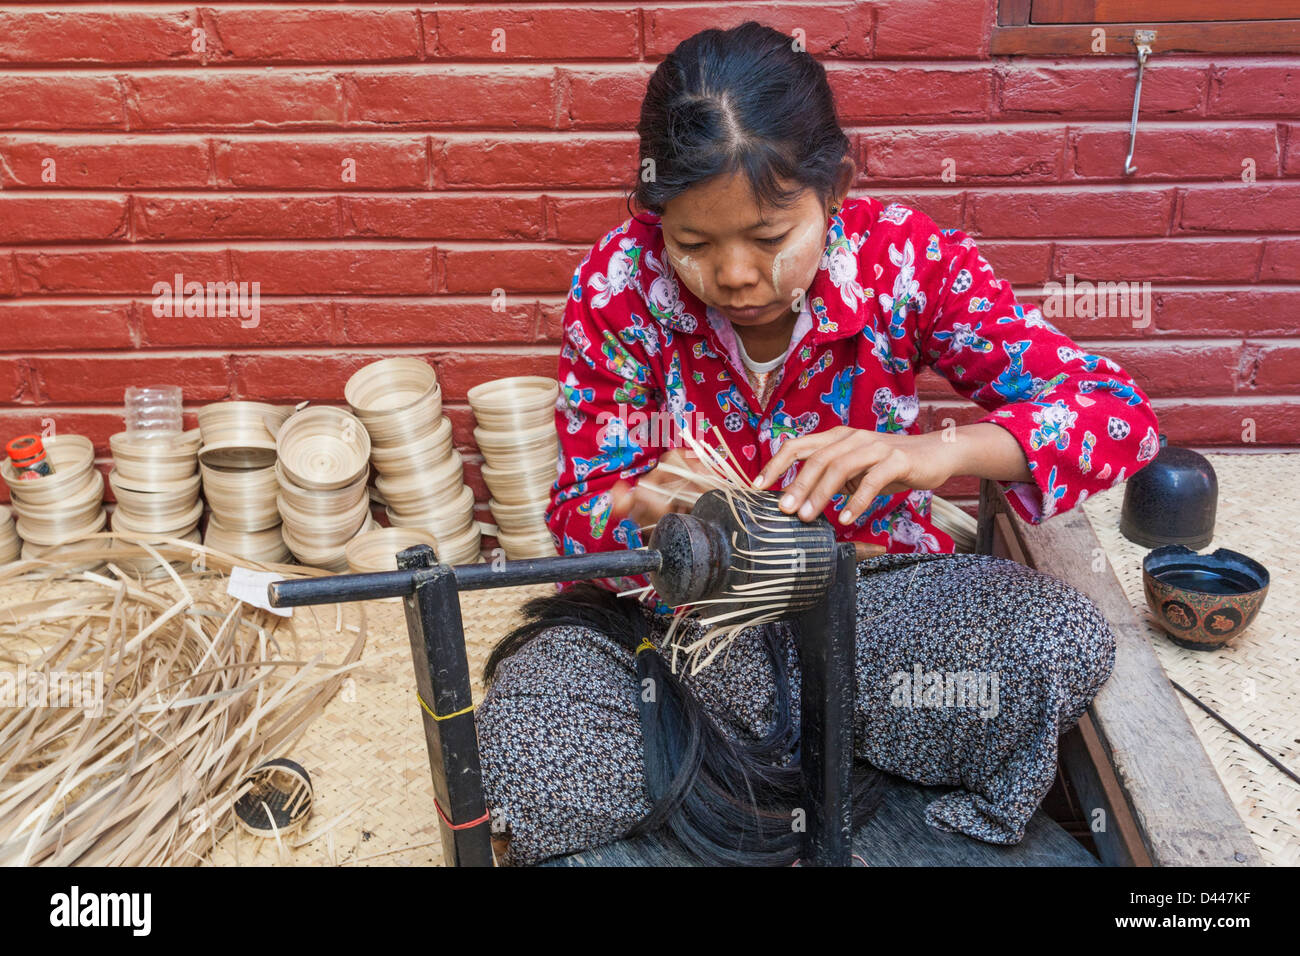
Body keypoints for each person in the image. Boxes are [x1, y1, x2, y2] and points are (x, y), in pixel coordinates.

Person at [475, 20, 1160, 866]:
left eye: (769, 238)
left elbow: (1115, 414)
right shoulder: (620, 286)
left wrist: (933, 455)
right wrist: (641, 507)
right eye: (692, 243)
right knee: (534, 748)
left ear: (835, 189)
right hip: (681, 629)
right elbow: (577, 514)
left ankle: (730, 769)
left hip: (871, 609)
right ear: (657, 219)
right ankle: (805, 752)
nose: (731, 275)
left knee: (1054, 640)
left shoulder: (901, 262)